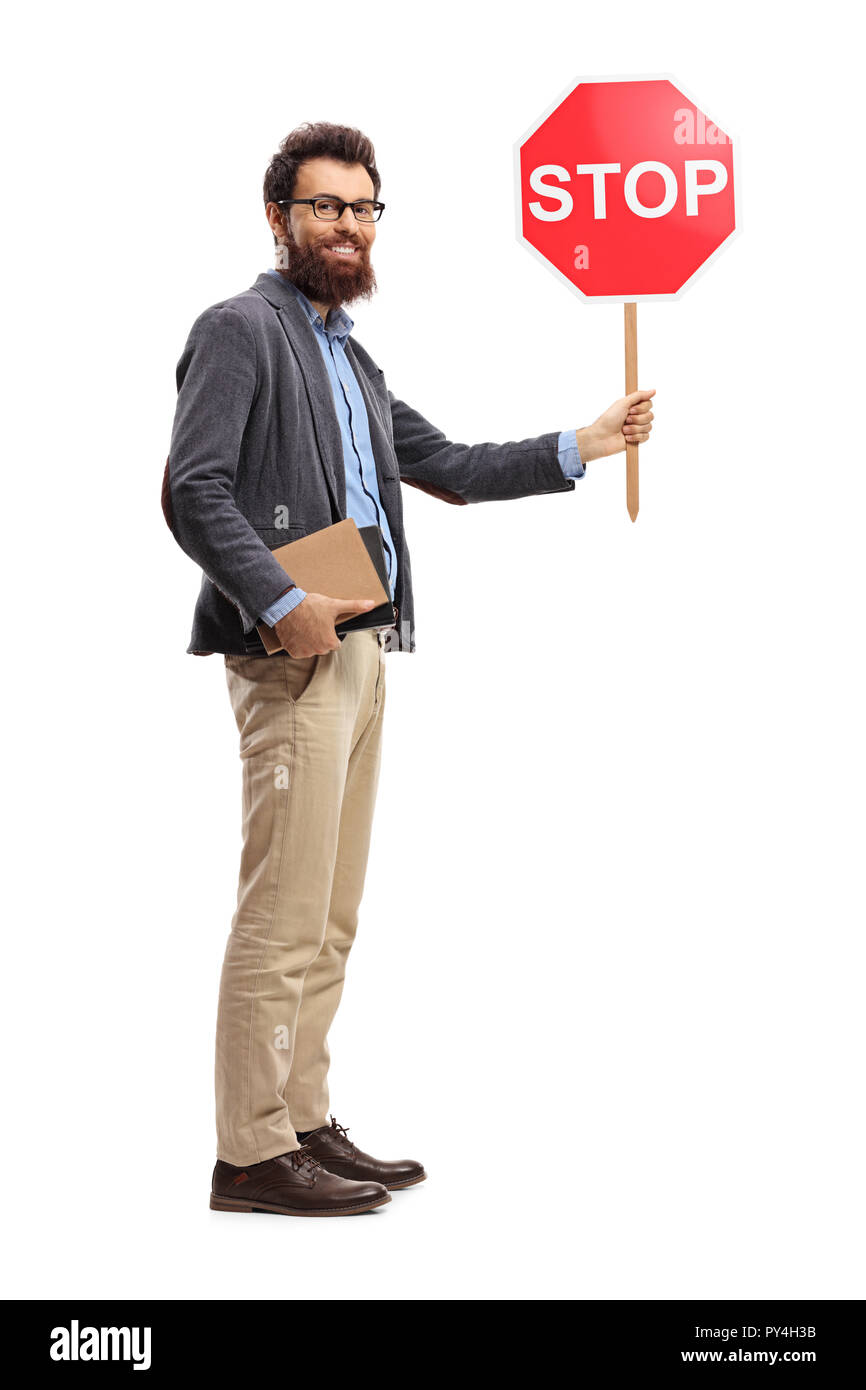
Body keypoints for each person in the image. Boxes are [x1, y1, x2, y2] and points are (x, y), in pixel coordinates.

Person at [163, 121, 655, 1218]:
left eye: (360, 208)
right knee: (281, 913)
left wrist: (586, 439)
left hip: (365, 651)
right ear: (277, 217)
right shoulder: (240, 329)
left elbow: (448, 468)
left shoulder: (349, 355)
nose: (344, 225)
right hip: (292, 652)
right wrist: (282, 602)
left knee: (330, 913)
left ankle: (298, 1119)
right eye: (323, 205)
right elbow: (194, 490)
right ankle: (248, 1153)